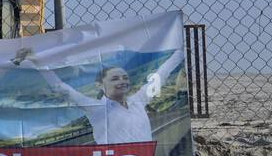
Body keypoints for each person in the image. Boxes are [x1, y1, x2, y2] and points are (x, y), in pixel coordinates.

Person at [22, 47, 185, 144]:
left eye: (125, 77)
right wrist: (38, 63)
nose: (122, 81)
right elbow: (61, 87)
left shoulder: (138, 101)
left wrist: (180, 52)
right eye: (115, 78)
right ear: (100, 84)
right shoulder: (96, 107)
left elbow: (162, 73)